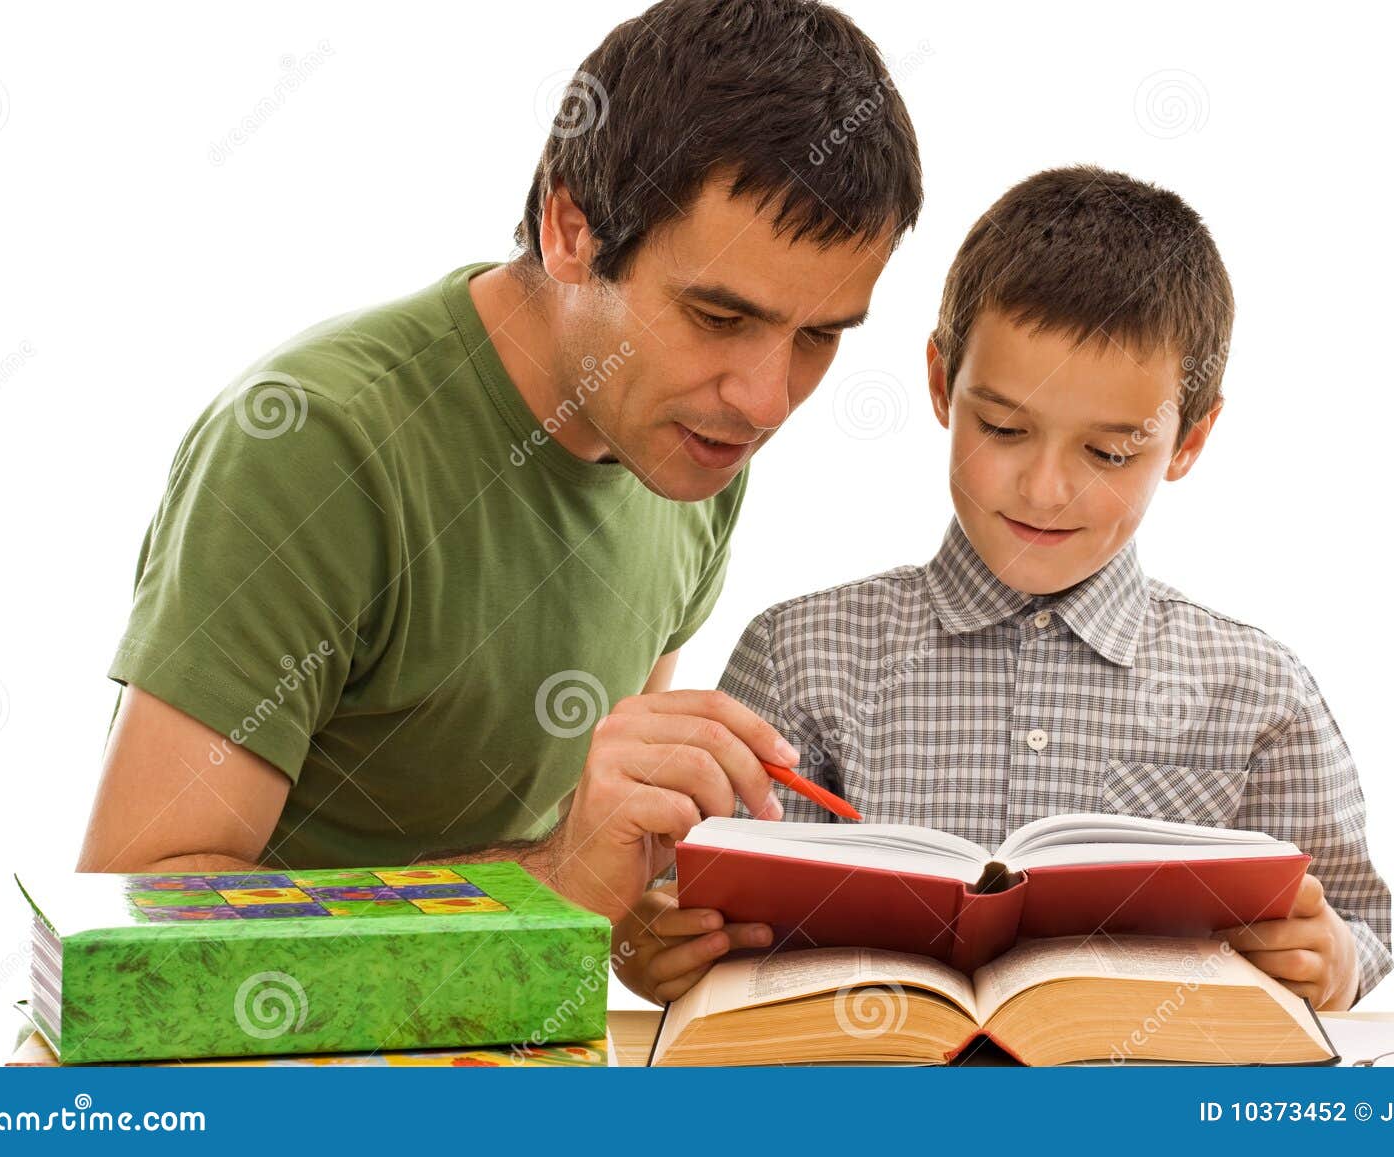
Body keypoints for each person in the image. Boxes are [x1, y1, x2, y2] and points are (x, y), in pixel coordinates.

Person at [76, 0, 923, 927]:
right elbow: (132, 913)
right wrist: (560, 882)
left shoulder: (691, 451)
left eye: (819, 337)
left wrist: (636, 910)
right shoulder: (316, 448)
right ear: (570, 229)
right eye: (719, 319)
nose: (766, 400)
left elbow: (588, 846)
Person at [616, 166, 1391, 1011]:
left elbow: (1356, 922)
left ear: (1189, 440)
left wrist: (1339, 961)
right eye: (1005, 428)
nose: (1044, 489)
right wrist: (651, 943)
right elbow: (692, 908)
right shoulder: (801, 654)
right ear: (943, 383)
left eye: (1108, 452)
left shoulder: (1257, 689)